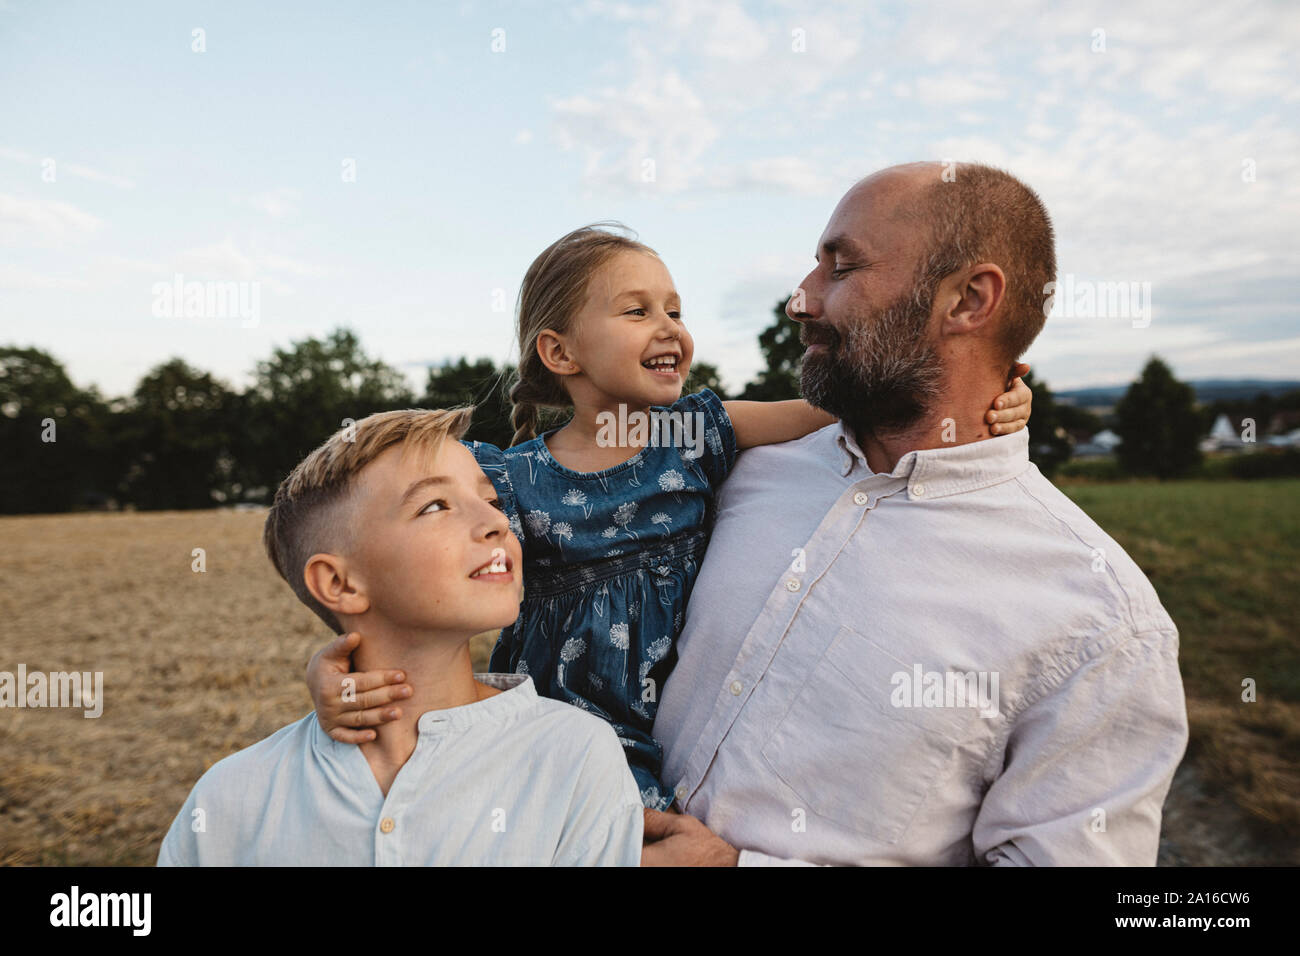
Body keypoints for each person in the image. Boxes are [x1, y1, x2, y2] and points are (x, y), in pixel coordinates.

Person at [306, 224, 1033, 811]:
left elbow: (840, 407)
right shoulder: (508, 479)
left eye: (675, 310)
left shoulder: (696, 432)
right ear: (560, 351)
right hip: (549, 738)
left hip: (693, 739)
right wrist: (335, 668)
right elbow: (359, 538)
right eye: (636, 311)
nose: (670, 328)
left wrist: (981, 398)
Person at [639, 161, 1190, 866]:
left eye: (840, 268)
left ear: (966, 300)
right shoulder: (739, 471)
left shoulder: (1102, 625)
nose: (800, 301)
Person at [157, 408, 643, 866]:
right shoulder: (228, 799)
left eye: (491, 500)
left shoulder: (576, 758)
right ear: (339, 584)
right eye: (435, 505)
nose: (497, 521)